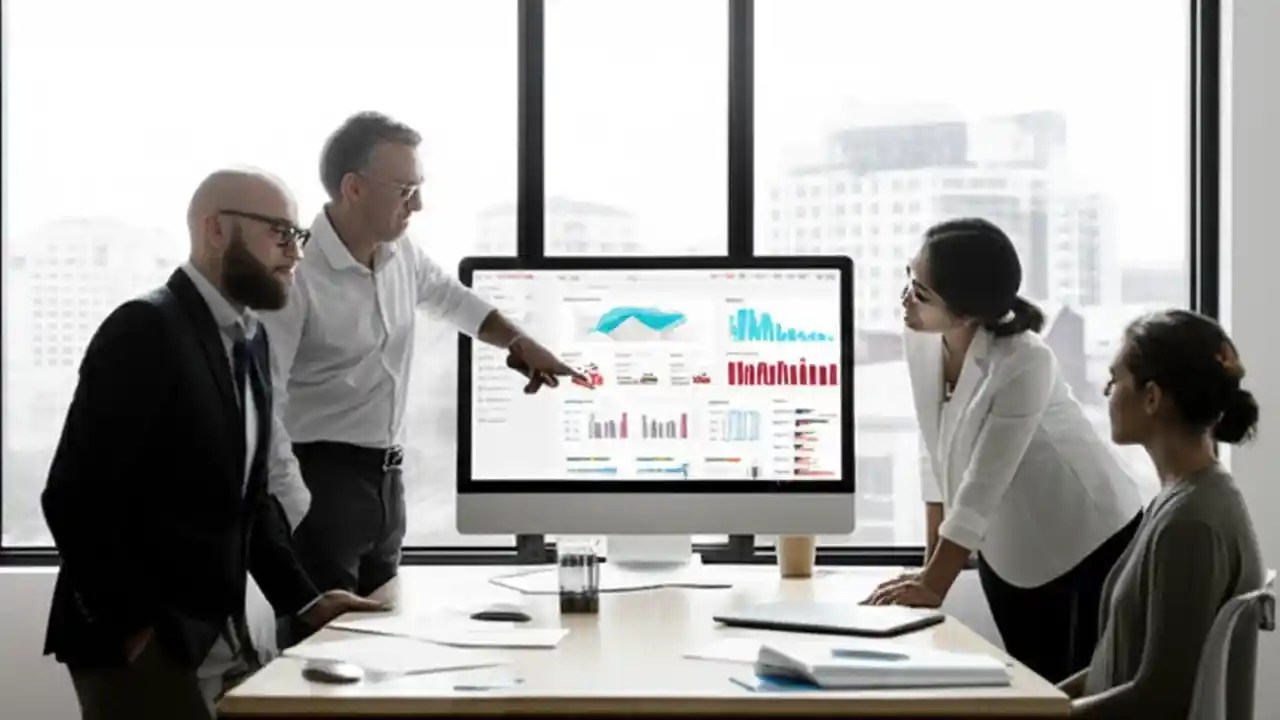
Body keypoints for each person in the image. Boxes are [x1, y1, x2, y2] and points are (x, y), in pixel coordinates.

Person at [41, 168, 386, 720]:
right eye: (279, 232)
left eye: (296, 236)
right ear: (215, 231)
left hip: (214, 635)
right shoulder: (145, 329)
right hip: (142, 641)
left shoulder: (247, 339)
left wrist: (305, 600)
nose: (294, 253)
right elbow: (73, 496)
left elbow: (246, 502)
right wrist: (133, 627)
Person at [260, 111, 585, 601]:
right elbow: (265, 400)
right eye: (405, 190)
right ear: (353, 188)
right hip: (321, 482)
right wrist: (295, 502)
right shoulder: (296, 277)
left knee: (383, 634)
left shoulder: (401, 253)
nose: (419, 204)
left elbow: (453, 300)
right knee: (323, 654)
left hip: (388, 479)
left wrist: (519, 343)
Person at [864, 218, 1143, 684]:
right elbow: (932, 453)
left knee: (1070, 690)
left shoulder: (1024, 361)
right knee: (1033, 681)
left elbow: (983, 482)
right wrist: (927, 566)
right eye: (908, 278)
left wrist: (935, 584)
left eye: (922, 292)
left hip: (1088, 537)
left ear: (967, 313)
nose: (906, 298)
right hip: (1007, 541)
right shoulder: (921, 339)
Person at [1060, 310, 1265, 718]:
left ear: (1152, 397)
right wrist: (1034, 704)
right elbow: (1115, 668)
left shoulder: (1192, 522)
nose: (1107, 392)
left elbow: (1163, 697)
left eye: (1115, 380)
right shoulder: (1181, 498)